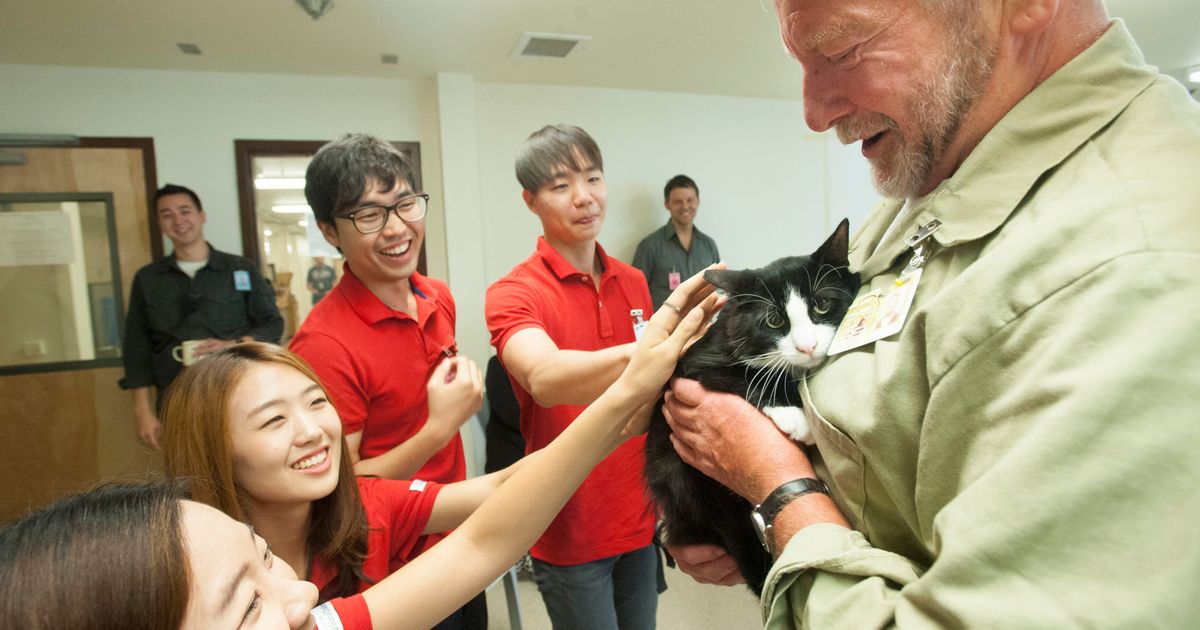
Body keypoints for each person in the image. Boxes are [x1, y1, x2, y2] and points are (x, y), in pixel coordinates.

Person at [662, 0, 1200, 627]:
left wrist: (781, 493)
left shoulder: (1140, 267)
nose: (814, 113)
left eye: (842, 49)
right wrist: (757, 520)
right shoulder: (940, 172)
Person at [0, 271, 723, 630]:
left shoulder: (350, 524)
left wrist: (624, 407)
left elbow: (488, 529)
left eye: (317, 405)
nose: (304, 596)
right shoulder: (181, 550)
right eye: (247, 602)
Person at [289, 133, 485, 627]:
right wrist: (438, 430)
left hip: (460, 531)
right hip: (394, 564)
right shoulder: (324, 345)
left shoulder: (436, 295)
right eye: (368, 215)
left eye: (404, 205)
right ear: (330, 232)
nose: (396, 228)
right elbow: (340, 486)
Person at [161, 342, 523, 602]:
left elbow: (503, 488)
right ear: (214, 452)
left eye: (317, 402)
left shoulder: (364, 504)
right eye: (274, 419)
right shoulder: (186, 573)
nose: (313, 432)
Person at [485, 124, 662, 629]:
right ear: (531, 200)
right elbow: (545, 376)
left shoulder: (632, 281)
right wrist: (660, 348)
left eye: (593, 178)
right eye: (561, 186)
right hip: (569, 523)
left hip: (639, 513)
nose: (584, 198)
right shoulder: (513, 292)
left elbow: (644, 399)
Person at [120, 183, 283, 450]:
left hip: (237, 391)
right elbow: (136, 346)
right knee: (188, 472)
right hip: (176, 397)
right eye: (167, 214)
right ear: (159, 222)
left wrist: (235, 345)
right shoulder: (149, 279)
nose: (178, 220)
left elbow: (272, 324)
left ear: (201, 215)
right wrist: (143, 411)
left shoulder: (240, 269)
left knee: (245, 466)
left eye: (185, 211)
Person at [633, 174, 721, 310]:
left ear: (698, 201)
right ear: (667, 204)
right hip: (665, 330)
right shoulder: (650, 246)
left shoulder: (709, 245)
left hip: (703, 327)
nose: (685, 206)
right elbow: (635, 293)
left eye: (690, 200)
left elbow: (717, 288)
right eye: (678, 201)